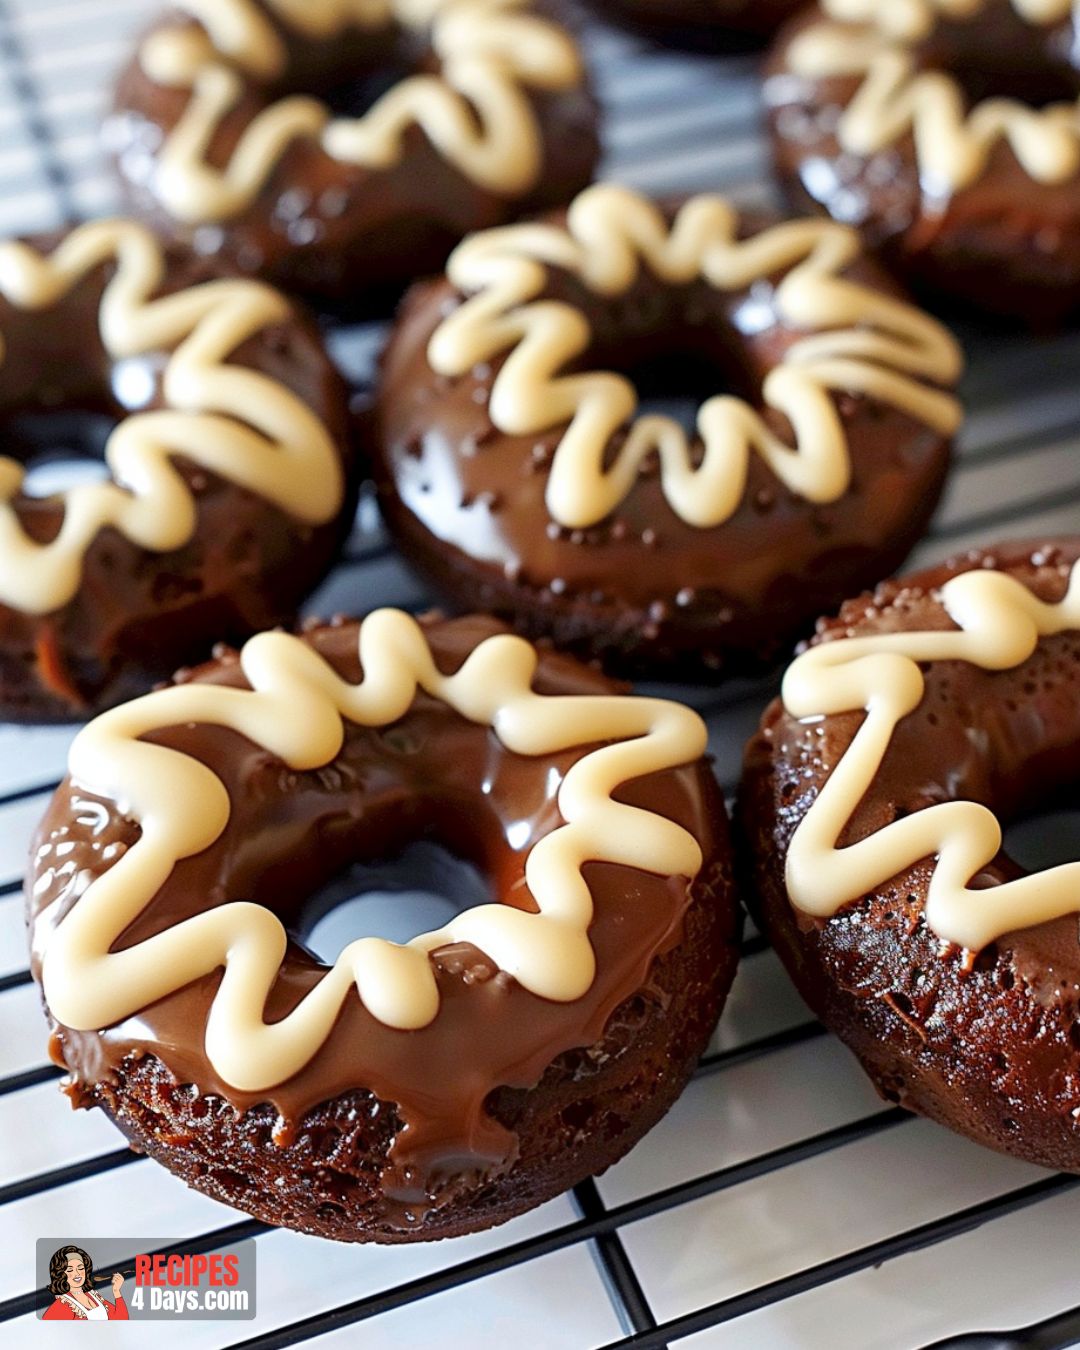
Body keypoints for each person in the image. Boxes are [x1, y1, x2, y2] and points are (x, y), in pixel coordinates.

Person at [42, 1245, 129, 1321]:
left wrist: (116, 1291)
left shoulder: (93, 1295)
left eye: (80, 1268)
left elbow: (121, 1319)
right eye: (70, 1270)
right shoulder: (61, 1305)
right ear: (60, 1274)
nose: (77, 1273)